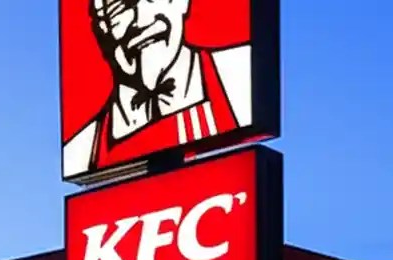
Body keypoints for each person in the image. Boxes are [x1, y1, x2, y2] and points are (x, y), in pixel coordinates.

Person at [62, 0, 254, 179]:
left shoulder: (242, 80)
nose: (141, 21)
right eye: (120, 7)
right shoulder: (82, 152)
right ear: (102, 31)